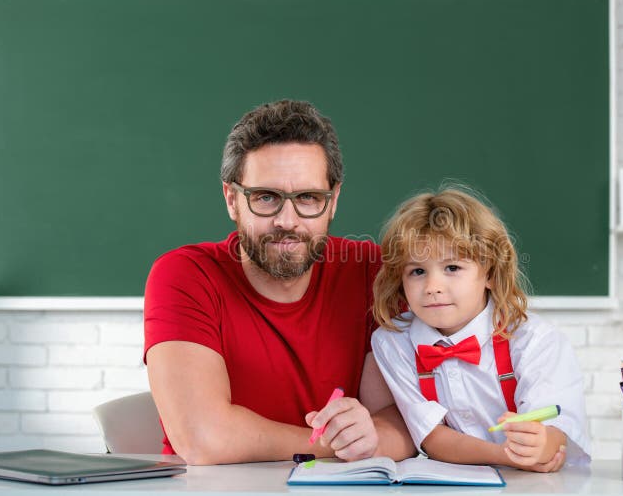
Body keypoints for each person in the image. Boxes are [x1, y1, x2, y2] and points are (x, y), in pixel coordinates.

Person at [143, 100, 414, 465]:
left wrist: (375, 435)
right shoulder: (185, 275)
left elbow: (407, 425)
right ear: (232, 200)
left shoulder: (371, 271)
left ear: (333, 201)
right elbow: (204, 438)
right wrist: (344, 444)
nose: (288, 220)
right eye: (266, 198)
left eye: (308, 198)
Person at [371, 186, 590, 471]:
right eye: (417, 271)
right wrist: (506, 457)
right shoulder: (394, 342)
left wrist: (542, 445)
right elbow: (433, 439)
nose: (433, 287)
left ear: (488, 272)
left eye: (452, 268)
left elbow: (558, 434)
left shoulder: (535, 340)